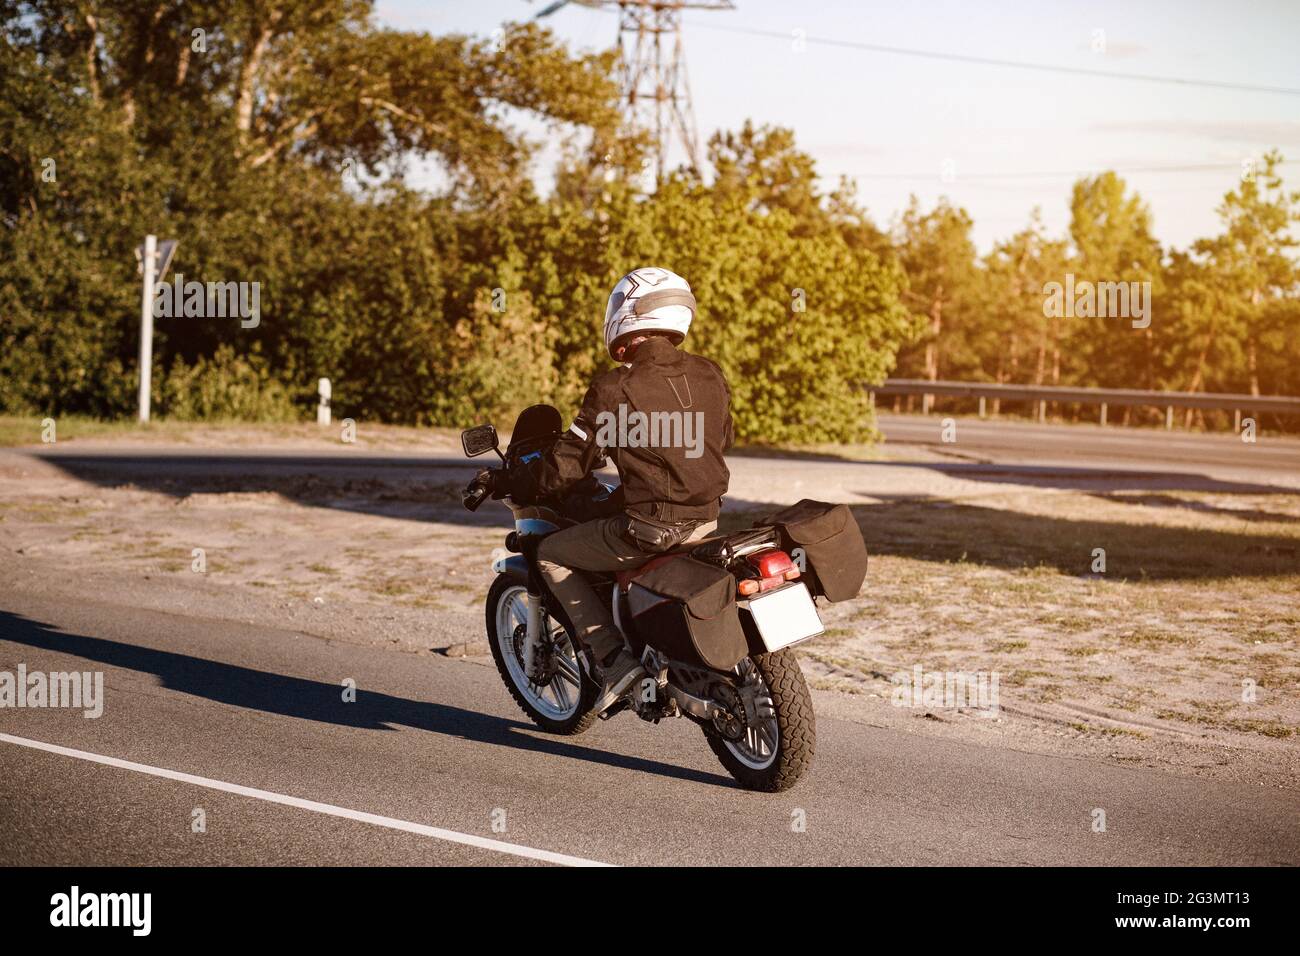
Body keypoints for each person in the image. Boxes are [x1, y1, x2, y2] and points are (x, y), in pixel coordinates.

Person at [510, 267, 734, 709]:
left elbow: (569, 464)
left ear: (629, 314)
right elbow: (721, 438)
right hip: (707, 519)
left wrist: (524, 478)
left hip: (652, 528)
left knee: (551, 554)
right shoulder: (710, 374)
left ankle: (616, 664)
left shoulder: (614, 388)